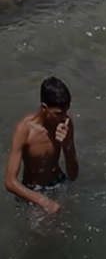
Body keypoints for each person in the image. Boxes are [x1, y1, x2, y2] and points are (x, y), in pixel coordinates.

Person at [5, 77, 79, 214]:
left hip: (59, 181)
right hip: (33, 190)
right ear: (44, 108)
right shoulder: (24, 129)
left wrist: (67, 145)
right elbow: (10, 182)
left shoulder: (65, 124)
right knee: (40, 226)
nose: (64, 117)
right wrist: (44, 201)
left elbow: (73, 175)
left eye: (66, 111)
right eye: (58, 114)